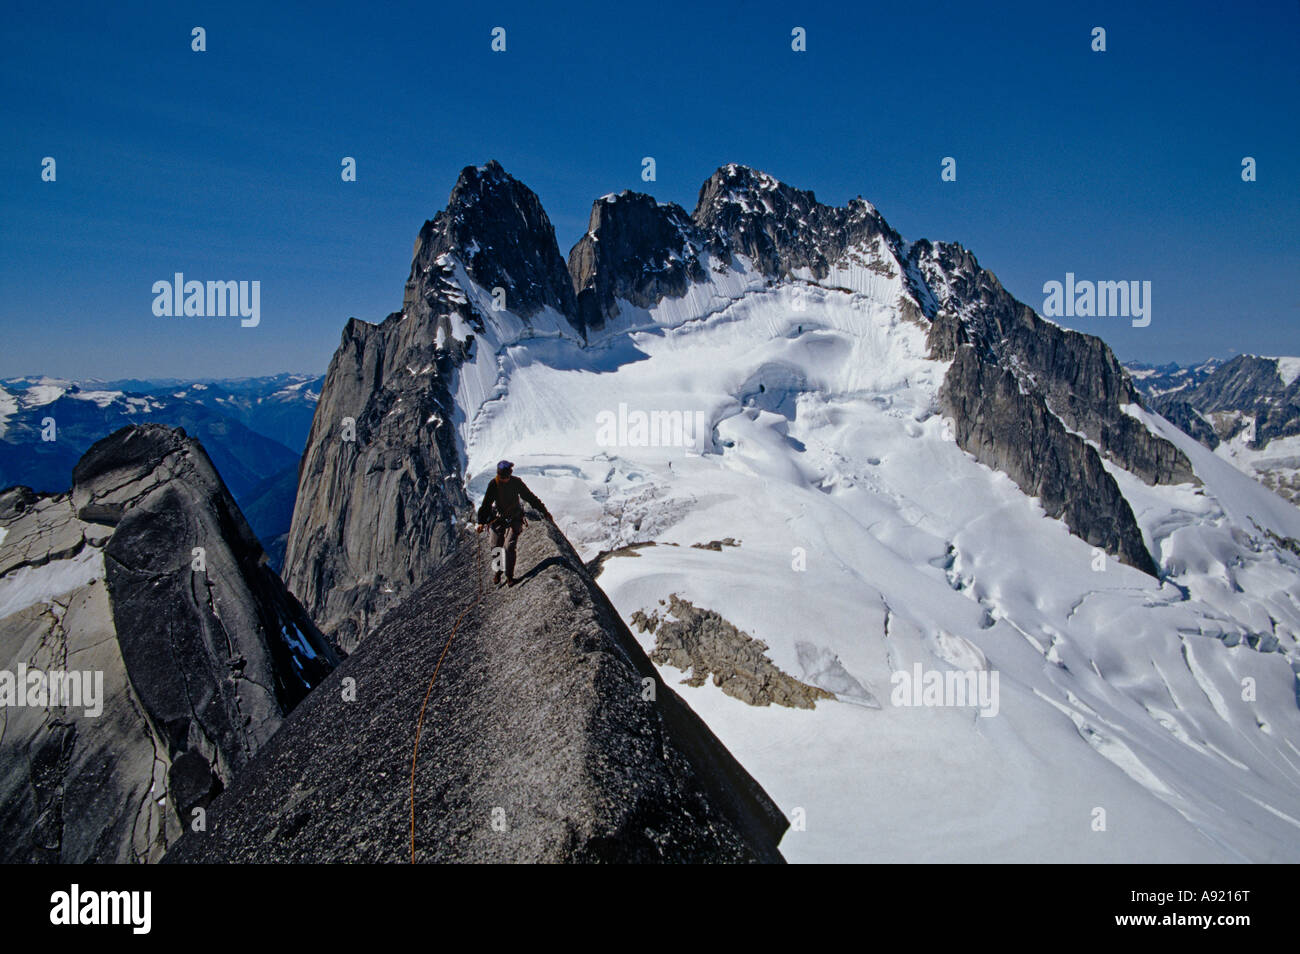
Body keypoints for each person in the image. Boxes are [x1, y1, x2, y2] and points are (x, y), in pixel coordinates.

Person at [476, 460, 552, 585]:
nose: (505, 479)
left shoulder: (516, 482)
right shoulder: (494, 484)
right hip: (499, 517)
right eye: (503, 477)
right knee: (495, 545)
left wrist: (544, 511)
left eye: (506, 476)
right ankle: (498, 571)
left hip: (514, 516)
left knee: (509, 547)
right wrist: (481, 522)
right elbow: (486, 504)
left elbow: (530, 497)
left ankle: (509, 576)